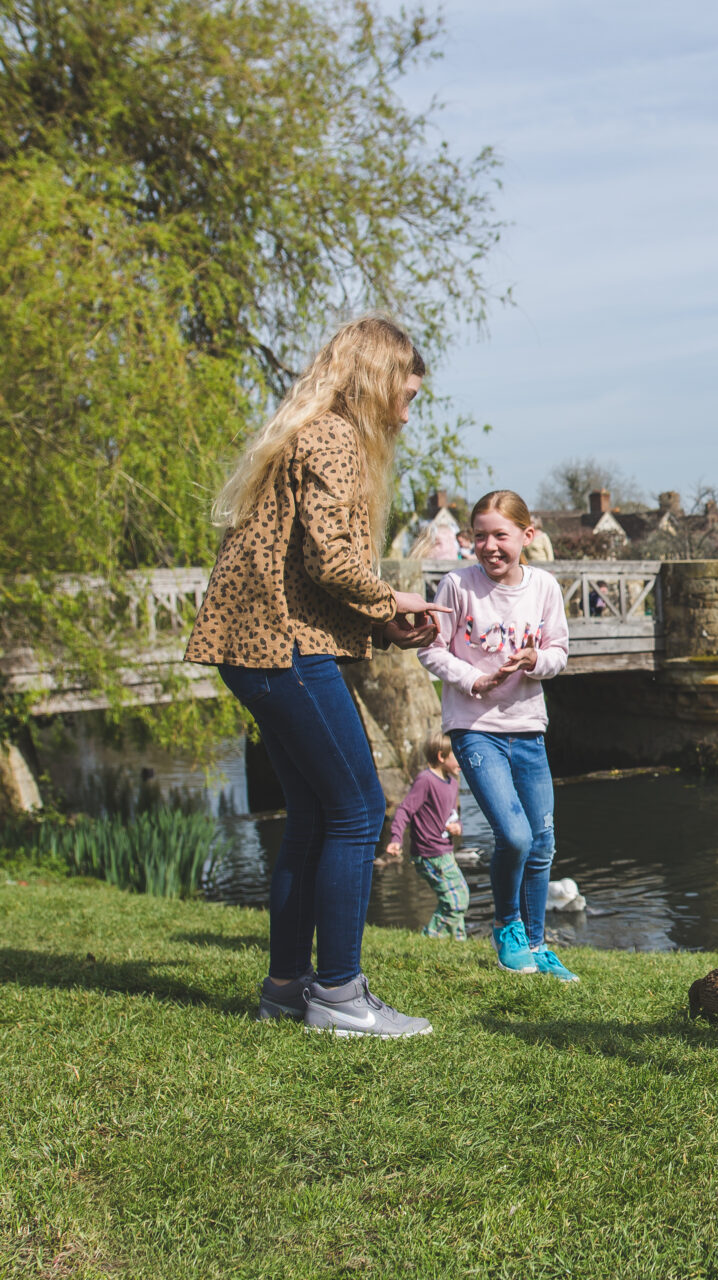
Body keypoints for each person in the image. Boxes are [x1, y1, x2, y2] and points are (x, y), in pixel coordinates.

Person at [186, 314, 447, 1038]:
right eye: (407, 392)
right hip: (282, 649)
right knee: (359, 809)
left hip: (263, 646)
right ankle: (339, 995)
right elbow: (329, 562)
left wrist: (377, 620)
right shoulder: (334, 437)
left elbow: (310, 567)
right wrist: (391, 598)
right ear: (376, 379)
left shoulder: (309, 433)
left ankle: (285, 987)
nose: (407, 408)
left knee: (313, 816)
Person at [418, 489, 577, 982]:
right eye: (480, 536)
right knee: (513, 834)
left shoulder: (544, 587)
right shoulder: (456, 585)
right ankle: (506, 926)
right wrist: (471, 679)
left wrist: (535, 660)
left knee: (543, 842)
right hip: (475, 728)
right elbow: (430, 649)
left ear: (526, 536)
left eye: (500, 535)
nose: (489, 546)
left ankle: (535, 944)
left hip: (528, 728)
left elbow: (559, 652)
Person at [385, 735, 468, 939]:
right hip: (430, 854)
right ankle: (429, 938)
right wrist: (396, 838)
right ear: (441, 756)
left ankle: (459, 941)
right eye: (457, 755)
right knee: (456, 902)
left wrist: (457, 826)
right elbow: (404, 810)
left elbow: (452, 815)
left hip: (445, 850)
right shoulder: (426, 780)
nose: (462, 759)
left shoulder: (452, 783)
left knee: (461, 895)